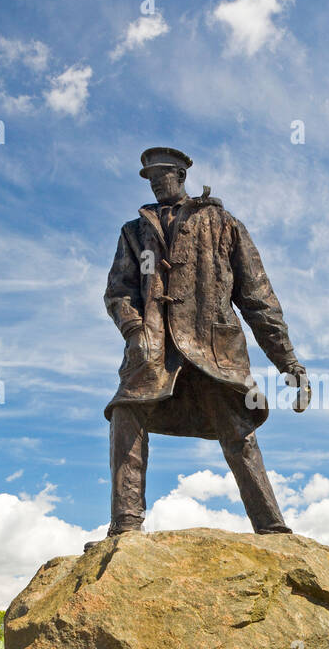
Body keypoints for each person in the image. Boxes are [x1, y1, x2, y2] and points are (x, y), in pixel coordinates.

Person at [103, 146, 310, 535]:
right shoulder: (134, 231)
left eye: (163, 175)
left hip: (213, 346)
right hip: (154, 348)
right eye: (150, 177)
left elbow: (258, 298)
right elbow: (118, 292)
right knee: (125, 413)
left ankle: (271, 526)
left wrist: (288, 363)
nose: (157, 183)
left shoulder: (222, 223)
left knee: (237, 430)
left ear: (181, 175)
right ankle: (126, 525)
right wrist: (135, 330)